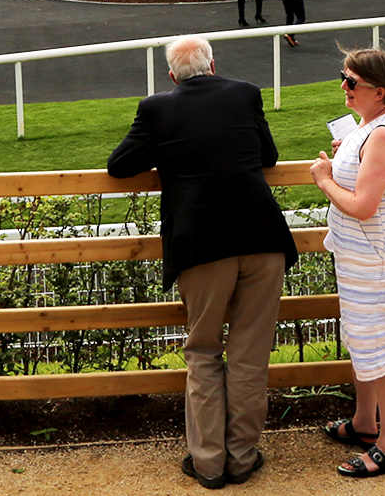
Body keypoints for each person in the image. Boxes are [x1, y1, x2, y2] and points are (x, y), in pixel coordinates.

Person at [107, 36, 297, 489]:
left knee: (204, 351)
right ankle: (242, 457)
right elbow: (267, 156)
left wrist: (168, 152)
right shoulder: (245, 92)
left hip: (200, 244)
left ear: (172, 76)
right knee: (250, 355)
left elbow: (119, 166)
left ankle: (209, 463)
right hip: (261, 236)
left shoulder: (156, 109)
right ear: (214, 65)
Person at [310, 49, 385, 479]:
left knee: (384, 349)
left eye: (352, 82)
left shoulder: (382, 133)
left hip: (378, 255)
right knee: (365, 341)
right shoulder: (378, 122)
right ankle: (364, 424)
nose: (343, 86)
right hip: (367, 254)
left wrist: (324, 179)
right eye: (343, 76)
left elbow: (362, 206)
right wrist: (346, 154)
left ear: (380, 92)